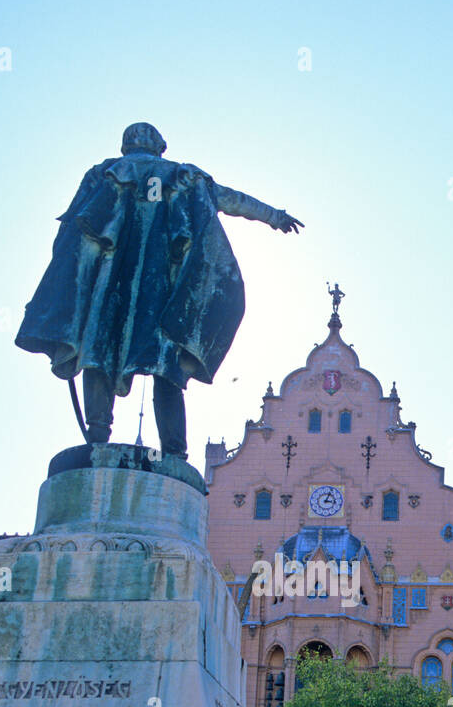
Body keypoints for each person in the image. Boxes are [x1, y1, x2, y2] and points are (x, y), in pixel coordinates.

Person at [16, 122, 302, 456]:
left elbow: (69, 236)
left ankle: (96, 437)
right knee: (165, 364)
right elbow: (231, 200)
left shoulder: (102, 174)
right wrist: (275, 216)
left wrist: (55, 293)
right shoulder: (182, 176)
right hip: (161, 289)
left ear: (126, 146)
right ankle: (175, 453)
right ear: (160, 146)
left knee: (98, 350)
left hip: (108, 287)